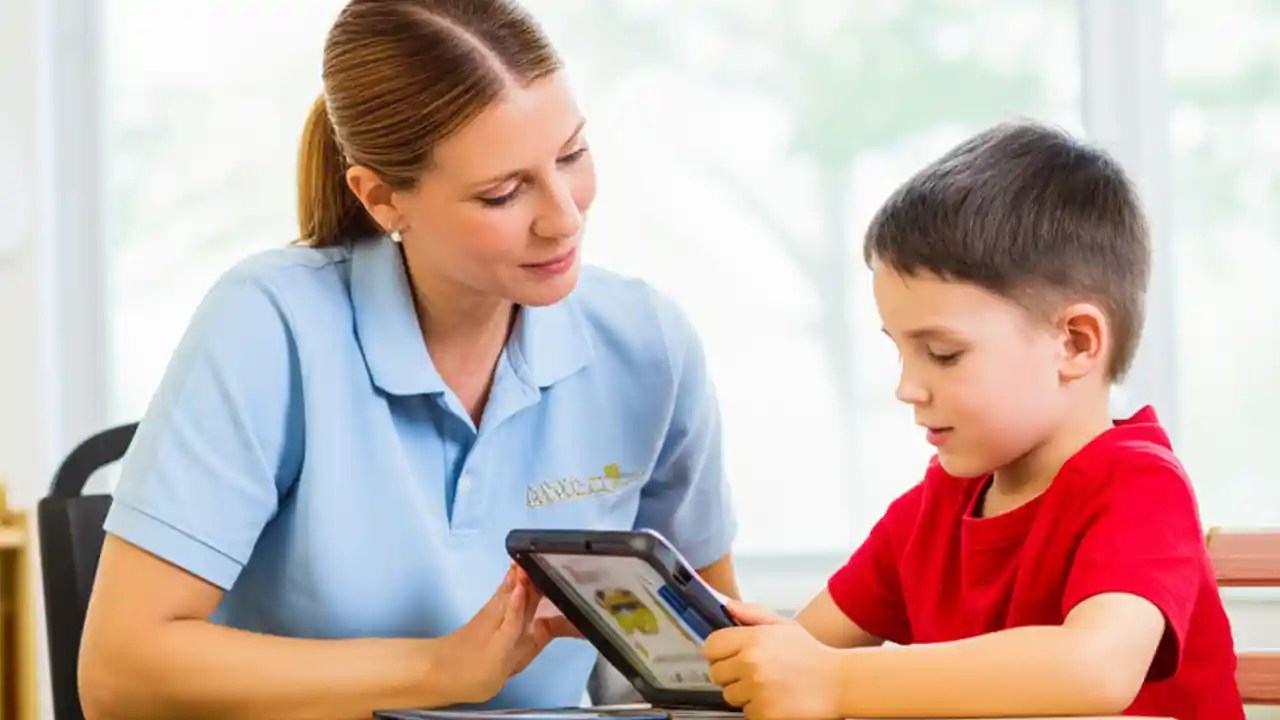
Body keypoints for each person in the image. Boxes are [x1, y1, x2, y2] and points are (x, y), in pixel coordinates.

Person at [78, 1, 738, 717]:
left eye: (572, 156)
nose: (565, 216)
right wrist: (440, 671)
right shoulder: (270, 324)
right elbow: (120, 674)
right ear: (383, 198)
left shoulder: (647, 345)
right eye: (503, 192)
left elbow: (711, 668)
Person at [702, 122, 1242, 720]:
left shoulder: (1139, 487)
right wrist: (764, 659)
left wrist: (833, 682)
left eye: (943, 354)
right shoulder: (934, 508)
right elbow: (809, 647)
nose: (907, 387)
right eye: (900, 350)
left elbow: (1095, 669)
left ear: (1076, 343)